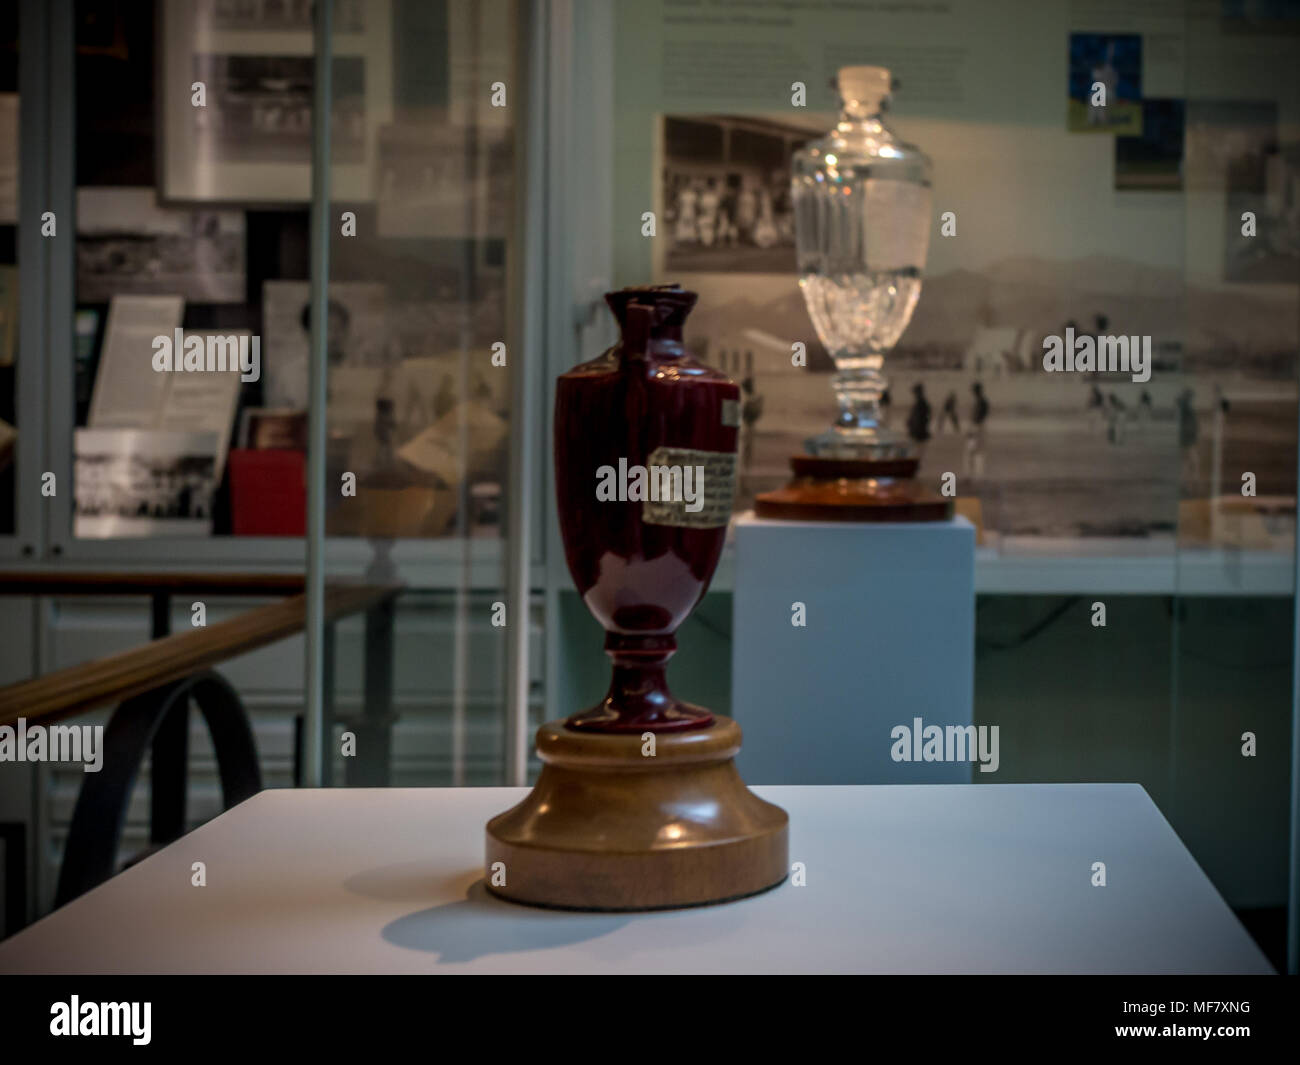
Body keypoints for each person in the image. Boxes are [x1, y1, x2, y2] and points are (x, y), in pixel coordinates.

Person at [964, 381, 989, 477]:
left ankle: (970, 475)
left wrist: (971, 430)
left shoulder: (980, 402)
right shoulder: (982, 401)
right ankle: (978, 475)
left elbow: (977, 417)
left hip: (976, 428)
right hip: (979, 427)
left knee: (971, 452)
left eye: (974, 391)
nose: (972, 393)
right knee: (978, 452)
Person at [906, 383, 931, 459]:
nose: (914, 394)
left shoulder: (921, 403)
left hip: (918, 434)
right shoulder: (920, 403)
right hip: (918, 433)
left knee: (917, 455)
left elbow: (921, 420)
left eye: (915, 392)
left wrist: (913, 428)